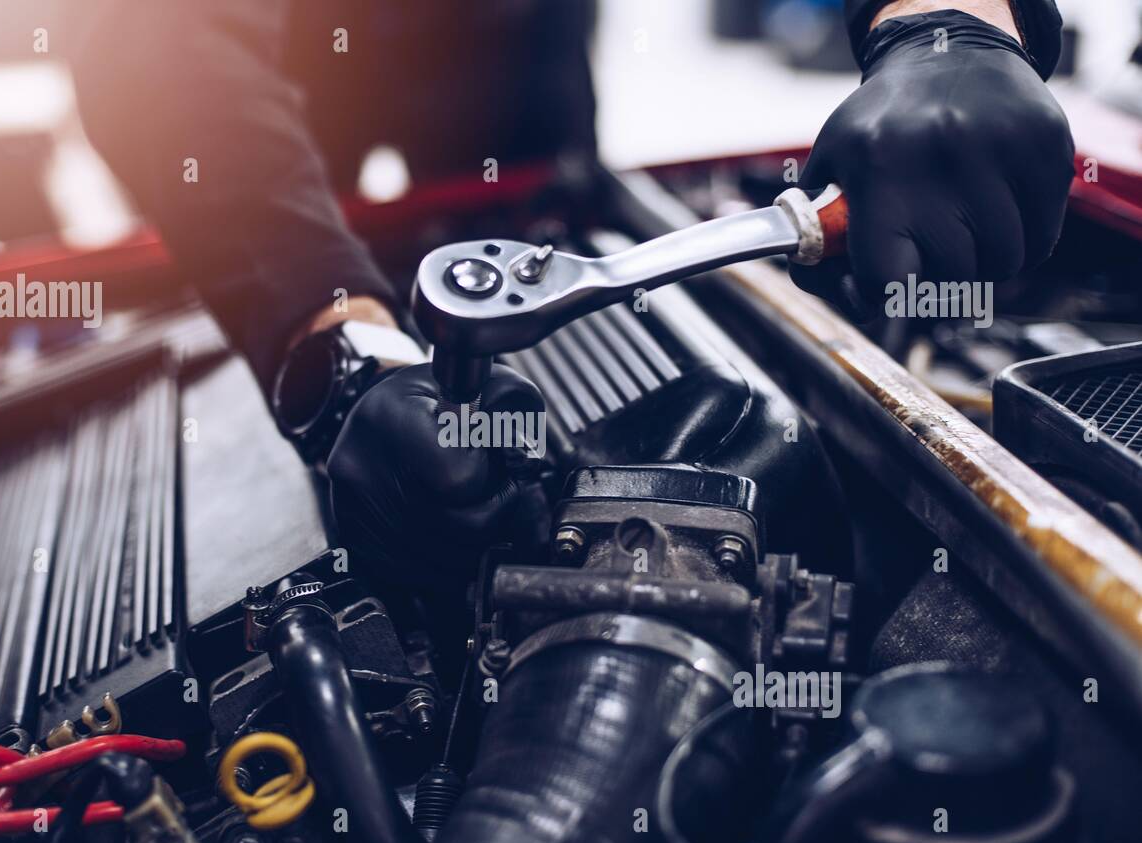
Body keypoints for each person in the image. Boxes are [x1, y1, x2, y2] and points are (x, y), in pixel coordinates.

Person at [70, 0, 1074, 581]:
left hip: (510, 94)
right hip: (272, 98)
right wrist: (331, 341)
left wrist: (952, 22)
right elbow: (151, 33)